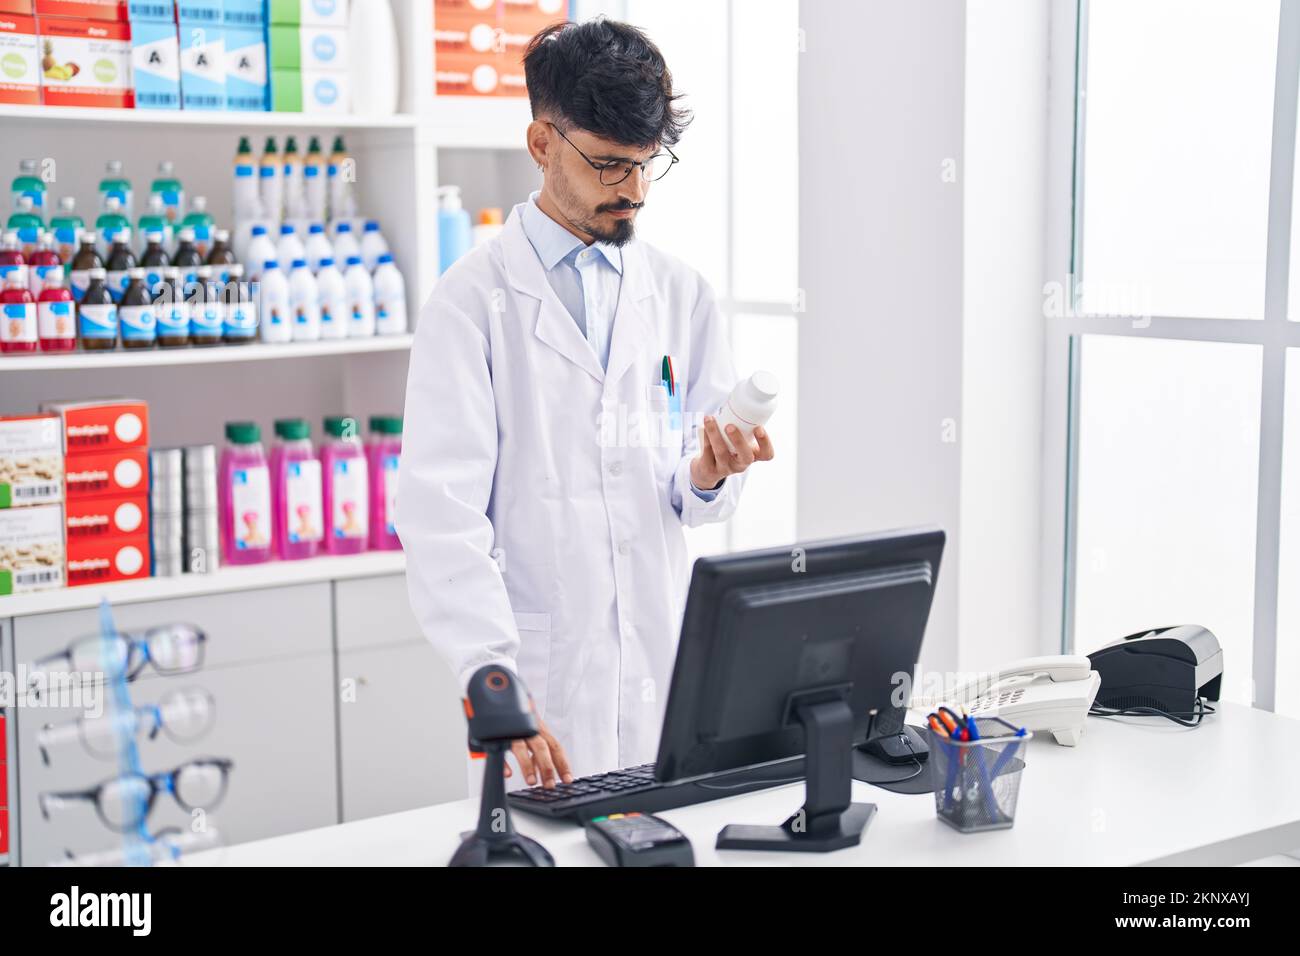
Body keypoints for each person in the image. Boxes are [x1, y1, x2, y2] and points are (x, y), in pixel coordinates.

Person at [397, 18, 775, 787]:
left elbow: (692, 498)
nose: (632, 191)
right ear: (542, 145)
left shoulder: (681, 294)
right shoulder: (469, 305)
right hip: (540, 685)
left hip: (663, 670)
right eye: (609, 165)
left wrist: (707, 472)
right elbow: (441, 519)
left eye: (646, 166)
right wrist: (490, 673)